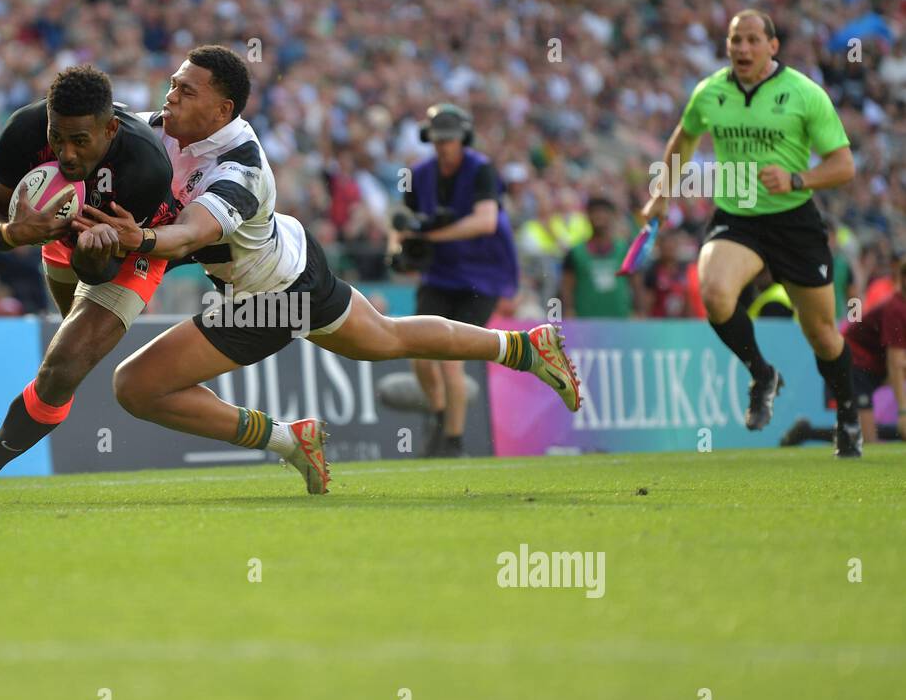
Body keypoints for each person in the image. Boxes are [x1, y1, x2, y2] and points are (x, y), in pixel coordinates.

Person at [79, 46, 581, 495]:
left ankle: (289, 439)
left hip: (274, 296)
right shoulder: (163, 130)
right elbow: (106, 132)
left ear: (221, 110)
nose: (170, 97)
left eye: (185, 91)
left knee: (136, 386)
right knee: (385, 339)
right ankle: (524, 347)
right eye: (172, 84)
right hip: (288, 258)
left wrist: (137, 238)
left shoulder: (242, 167)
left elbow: (188, 234)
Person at [0, 65, 175, 504]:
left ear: (109, 130)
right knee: (67, 359)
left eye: (80, 141)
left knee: (62, 366)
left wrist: (92, 256)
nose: (65, 155)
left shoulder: (145, 166)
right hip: (54, 238)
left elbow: (101, 276)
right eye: (58, 138)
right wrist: (13, 233)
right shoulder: (25, 129)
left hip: (126, 254)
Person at [641, 9, 860, 456]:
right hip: (737, 216)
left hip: (794, 221)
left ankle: (849, 418)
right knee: (715, 291)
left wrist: (798, 179)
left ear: (772, 47)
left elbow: (843, 166)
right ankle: (762, 374)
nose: (742, 48)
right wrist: (662, 193)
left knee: (821, 333)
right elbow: (685, 138)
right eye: (735, 40)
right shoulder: (710, 92)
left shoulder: (803, 93)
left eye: (752, 40)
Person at [398, 103, 519, 458]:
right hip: (440, 275)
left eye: (449, 140)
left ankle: (453, 442)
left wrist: (431, 239)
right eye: (437, 141)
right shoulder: (420, 175)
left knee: (451, 357)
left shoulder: (482, 170)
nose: (443, 147)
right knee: (417, 351)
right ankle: (438, 416)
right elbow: (404, 221)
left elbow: (486, 222)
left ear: (462, 139)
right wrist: (400, 246)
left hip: (483, 278)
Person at [782, 256, 906, 446]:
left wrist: (853, 317)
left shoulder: (844, 266)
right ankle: (808, 432)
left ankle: (807, 432)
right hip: (855, 360)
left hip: (869, 360)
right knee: (865, 439)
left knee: (861, 433)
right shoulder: (892, 303)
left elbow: (854, 295)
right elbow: (896, 359)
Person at [560, 196, 635, 318]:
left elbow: (637, 284)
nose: (600, 216)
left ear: (613, 216)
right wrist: (569, 310)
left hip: (620, 320)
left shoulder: (626, 250)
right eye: (595, 212)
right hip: (586, 320)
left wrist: (640, 311)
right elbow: (567, 287)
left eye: (604, 212)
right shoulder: (575, 253)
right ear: (587, 216)